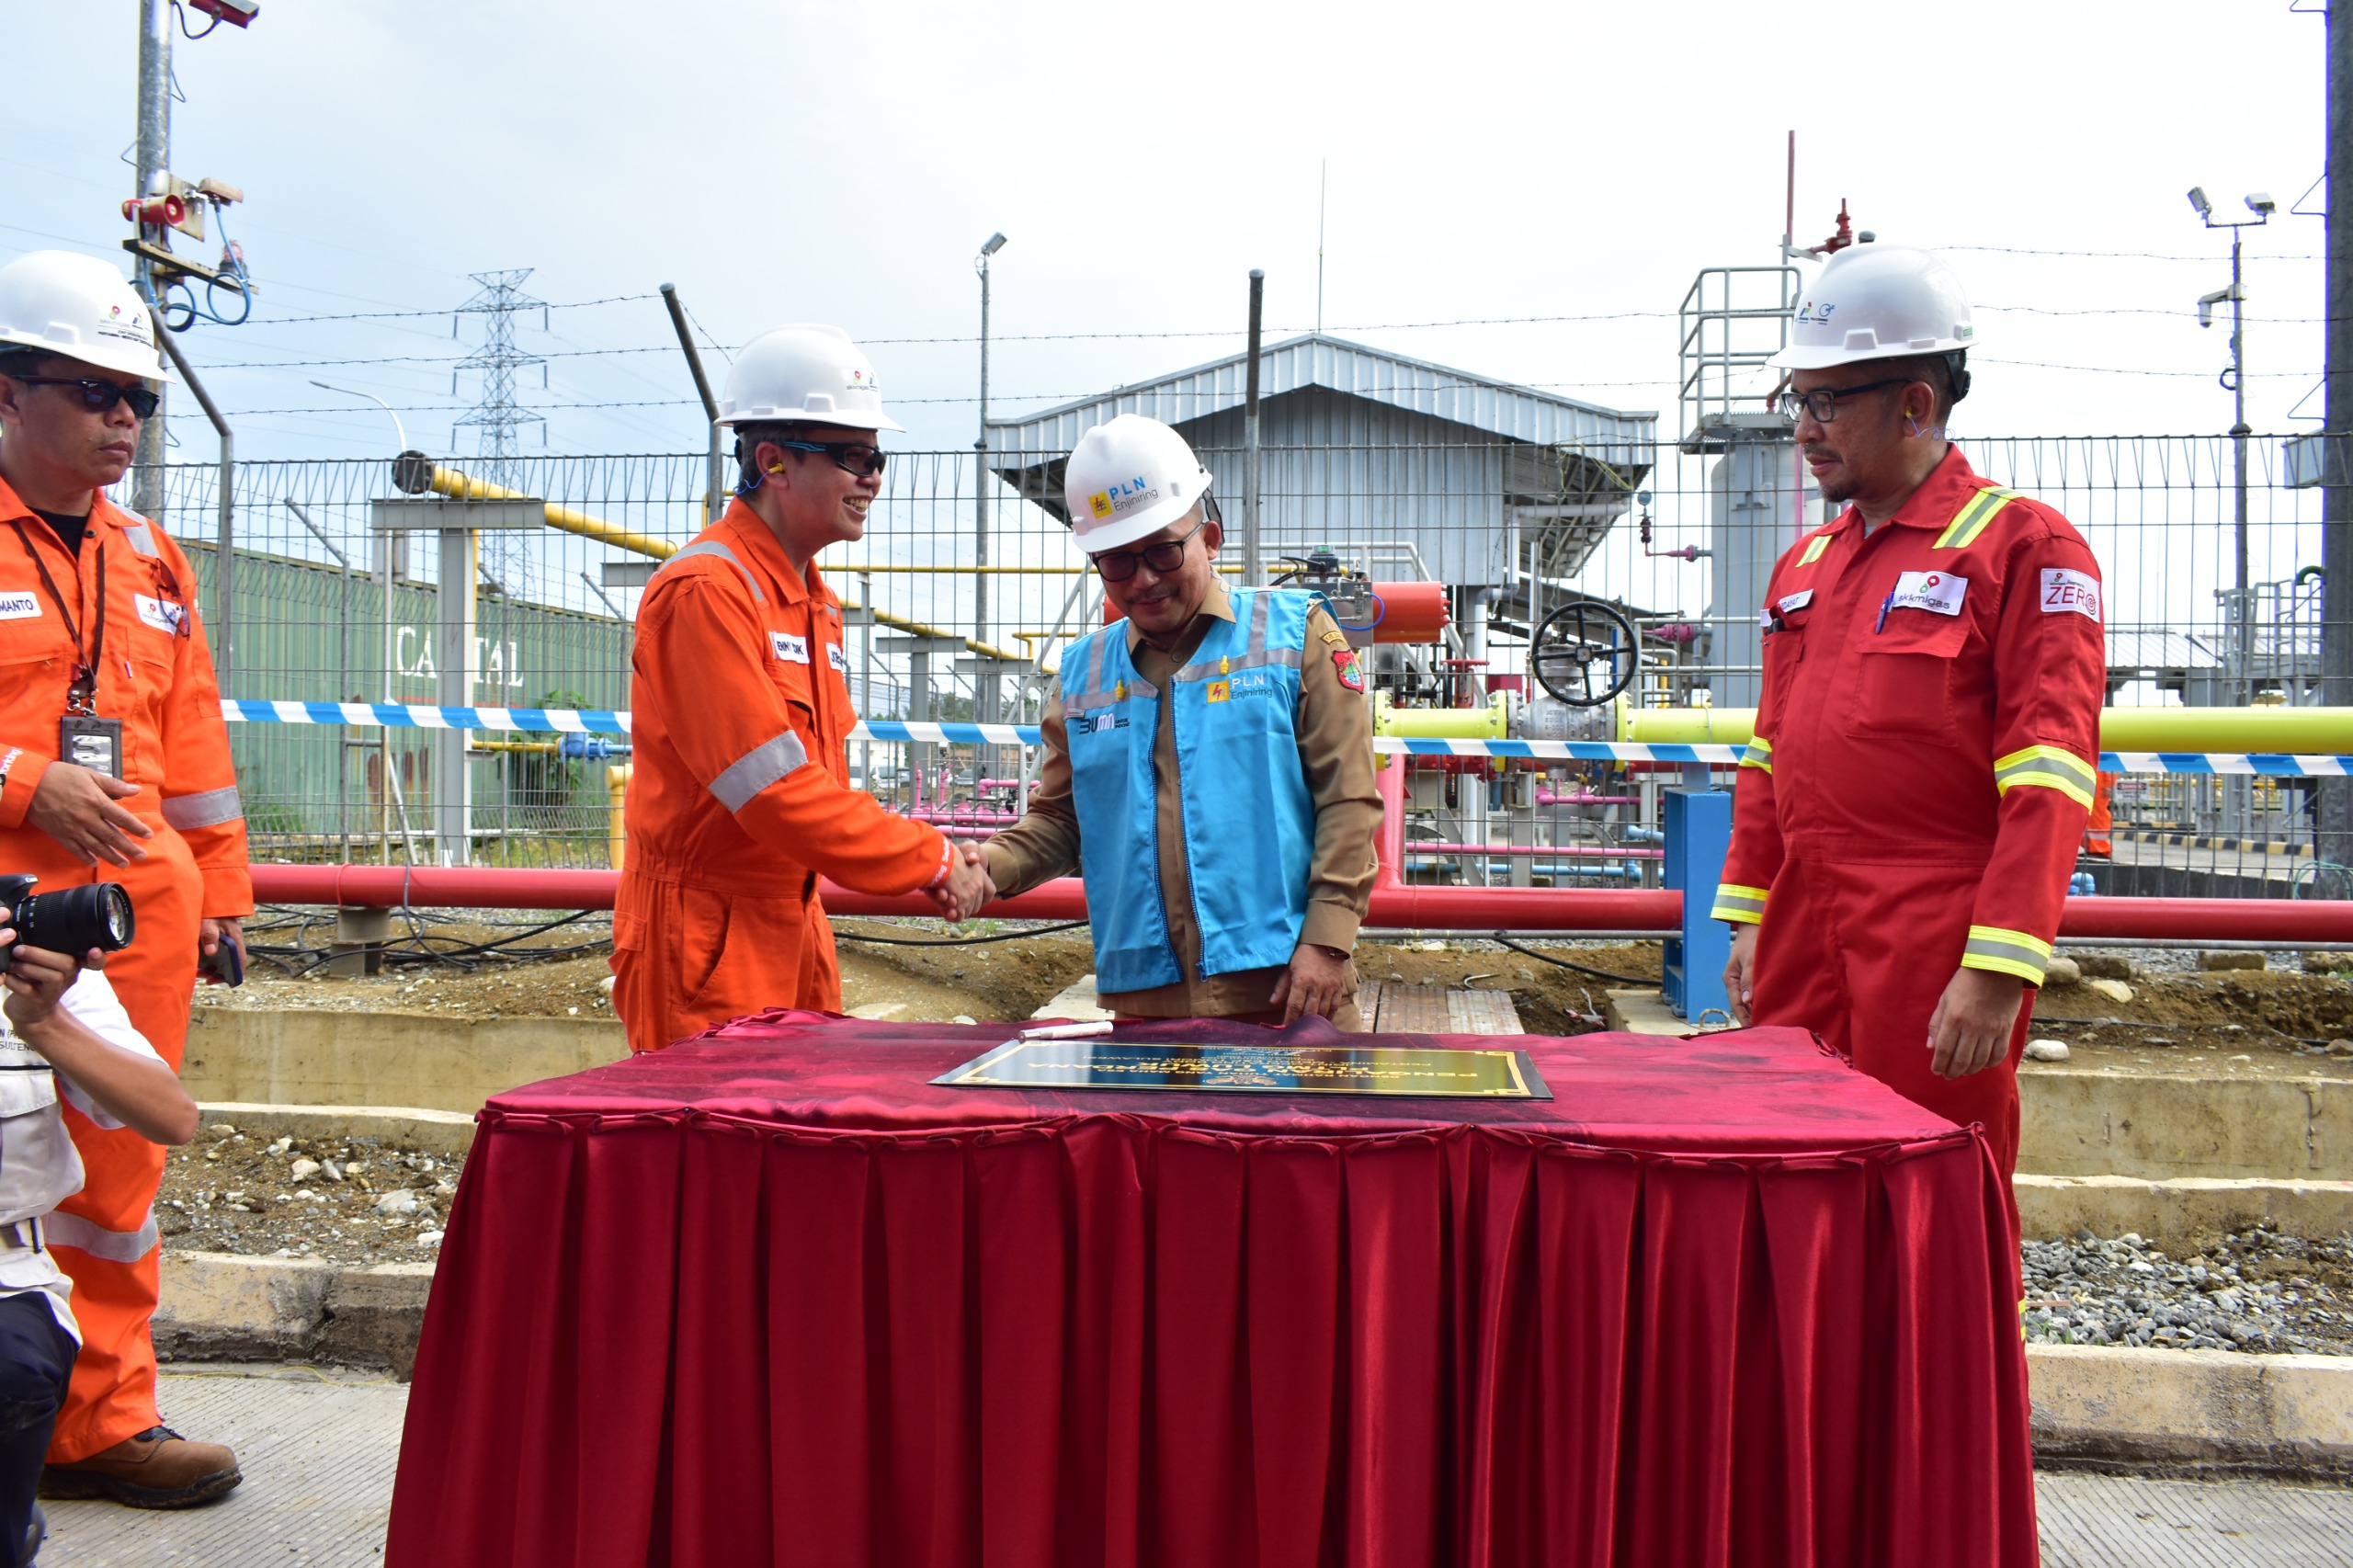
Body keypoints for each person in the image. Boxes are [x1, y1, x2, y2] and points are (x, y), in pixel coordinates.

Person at [1714, 244, 2106, 1200]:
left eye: (1825, 402)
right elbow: (1770, 755)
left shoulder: (2023, 548)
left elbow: (2050, 769)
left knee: (1934, 1183)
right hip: (1804, 911)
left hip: (1937, 927)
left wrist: (1999, 963)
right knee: (1790, 1170)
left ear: (1916, 403)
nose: (1803, 428)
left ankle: (1948, 1357)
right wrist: (1747, 911)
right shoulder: (1805, 564)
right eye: (1795, 400)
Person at [0, 253, 248, 1504]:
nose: (122, 423)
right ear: (8, 391)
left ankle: (96, 1417)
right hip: (9, 920)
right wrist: (19, 779)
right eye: (93, 392)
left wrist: (223, 893)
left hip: (135, 918)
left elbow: (193, 744)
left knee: (116, 1184)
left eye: (137, 400)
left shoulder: (151, 558)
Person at [613, 324, 989, 1052]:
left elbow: (818, 787)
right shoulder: (705, 592)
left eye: (877, 458)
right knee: (713, 1155)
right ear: (773, 461)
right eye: (852, 456)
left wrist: (930, 856)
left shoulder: (812, 602)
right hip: (707, 937)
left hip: (796, 922)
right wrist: (934, 860)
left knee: (800, 1149)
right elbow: (775, 794)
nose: (872, 477)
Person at [975, 415, 1381, 1027]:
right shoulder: (1084, 672)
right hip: (1147, 1001)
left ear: (1209, 539)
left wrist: (1327, 942)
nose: (1143, 579)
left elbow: (1348, 801)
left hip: (1289, 993)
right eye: (1116, 563)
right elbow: (1062, 822)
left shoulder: (1297, 638)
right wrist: (984, 869)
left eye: (1164, 551)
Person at [0, 927, 210, 1562]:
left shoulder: (36, 967)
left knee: (8, 1370)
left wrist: (45, 1022)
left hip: (5, 1279)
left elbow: (171, 1118)